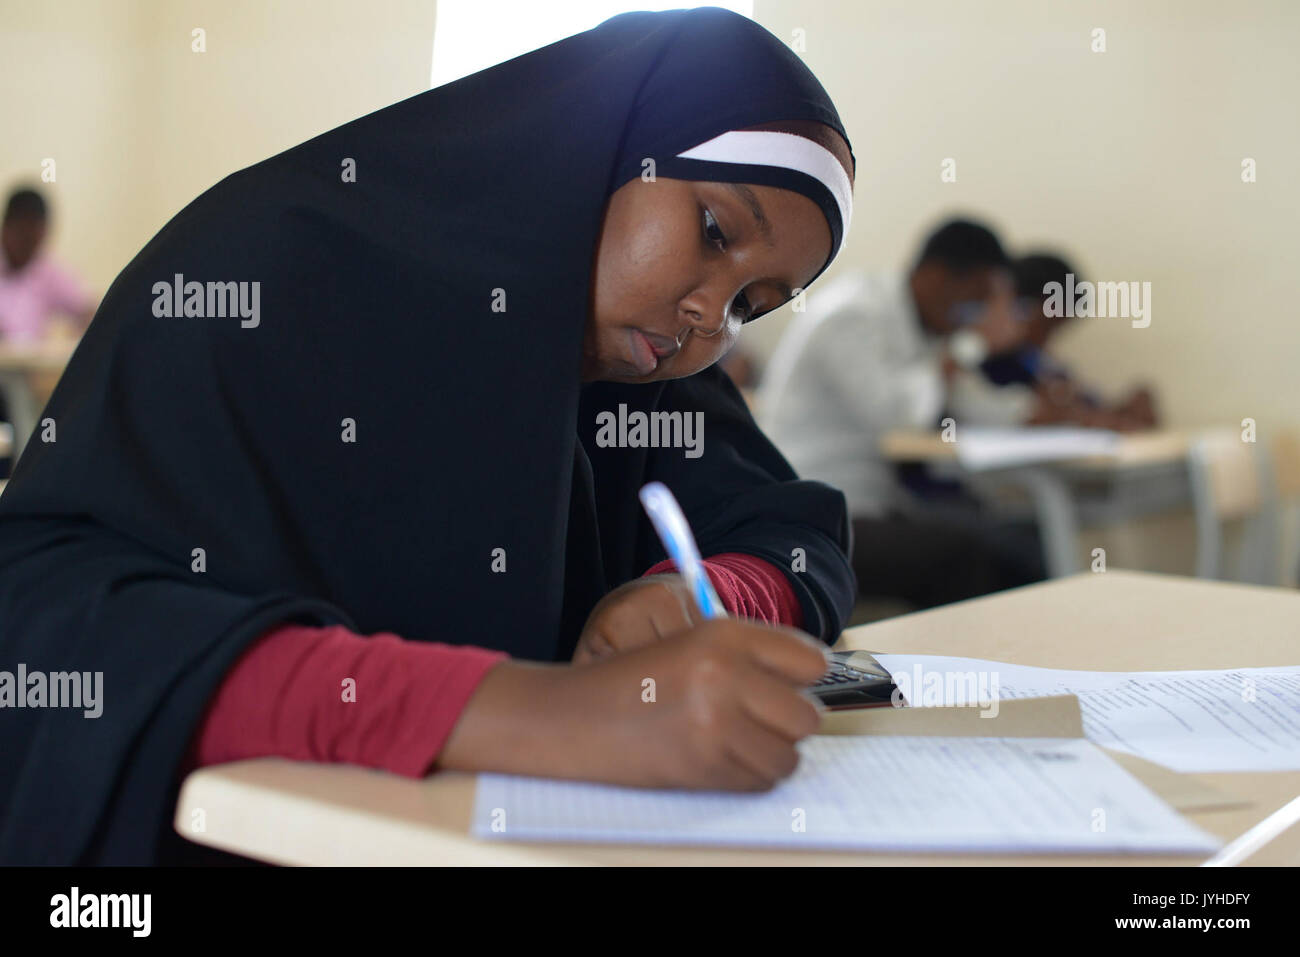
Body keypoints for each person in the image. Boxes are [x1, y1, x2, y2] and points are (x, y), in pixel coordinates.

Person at [0, 8, 859, 865]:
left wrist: (690, 593)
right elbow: (57, 627)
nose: (712, 316)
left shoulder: (637, 364)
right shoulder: (268, 268)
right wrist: (530, 715)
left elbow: (793, 537)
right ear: (599, 147)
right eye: (713, 230)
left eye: (754, 304)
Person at [760, 218, 1044, 610]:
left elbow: (971, 402)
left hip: (872, 504)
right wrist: (971, 345)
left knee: (1021, 539)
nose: (972, 316)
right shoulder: (852, 315)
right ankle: (956, 669)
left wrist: (1037, 412)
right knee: (962, 557)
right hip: (810, 515)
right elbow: (897, 418)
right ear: (935, 276)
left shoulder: (926, 325)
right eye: (973, 301)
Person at [955, 252, 1159, 430]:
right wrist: (1075, 417)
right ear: (1021, 308)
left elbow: (1078, 401)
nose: (1047, 341)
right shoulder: (979, 361)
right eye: (1048, 327)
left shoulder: (1036, 362)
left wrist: (1120, 411)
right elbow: (1023, 413)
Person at [0, 186, 95, 342]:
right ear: (6, 228)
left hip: (30, 364)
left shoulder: (48, 271)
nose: (27, 247)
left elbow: (90, 311)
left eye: (34, 241)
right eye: (22, 236)